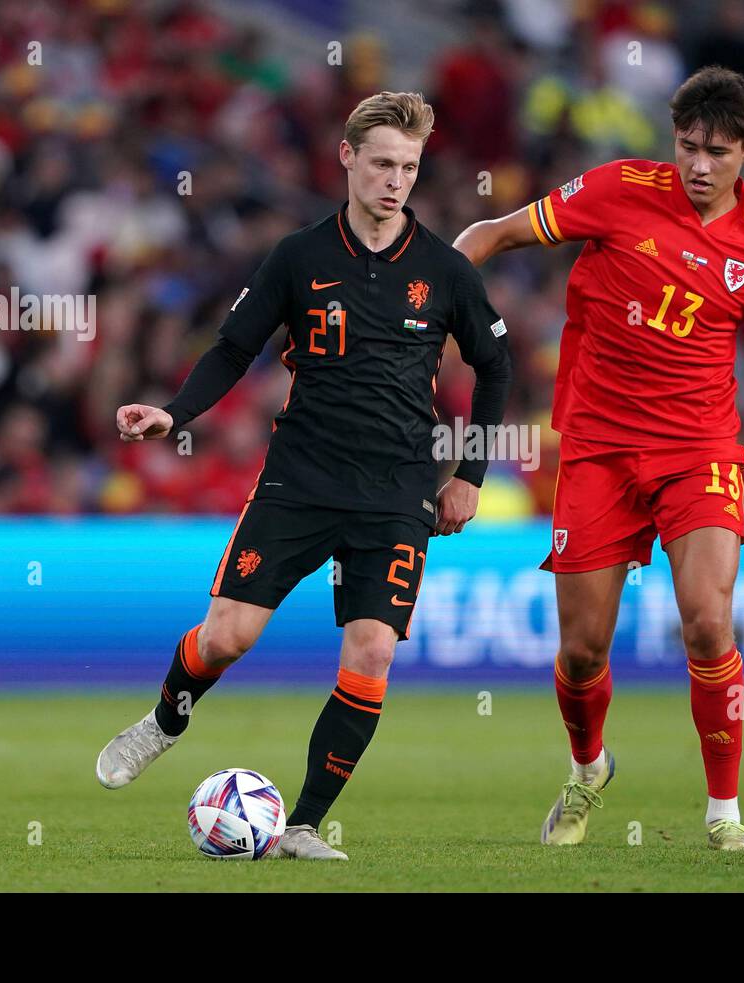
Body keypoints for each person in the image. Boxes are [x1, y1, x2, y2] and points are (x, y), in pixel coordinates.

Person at [95, 91, 511, 861]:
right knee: (227, 637)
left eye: (409, 168)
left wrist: (470, 475)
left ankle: (304, 824)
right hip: (302, 476)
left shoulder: (445, 271)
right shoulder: (299, 256)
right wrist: (173, 415)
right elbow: (232, 348)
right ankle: (164, 719)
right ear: (347, 158)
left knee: (373, 651)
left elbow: (495, 367)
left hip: (397, 490)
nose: (395, 181)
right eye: (382, 163)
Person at [454, 66, 744, 851]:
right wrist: (427, 305)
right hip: (595, 444)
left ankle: (724, 815)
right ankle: (587, 767)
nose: (698, 165)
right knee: (582, 649)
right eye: (687, 146)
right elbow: (491, 235)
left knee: (706, 621)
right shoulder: (617, 187)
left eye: (717, 153)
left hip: (700, 449)